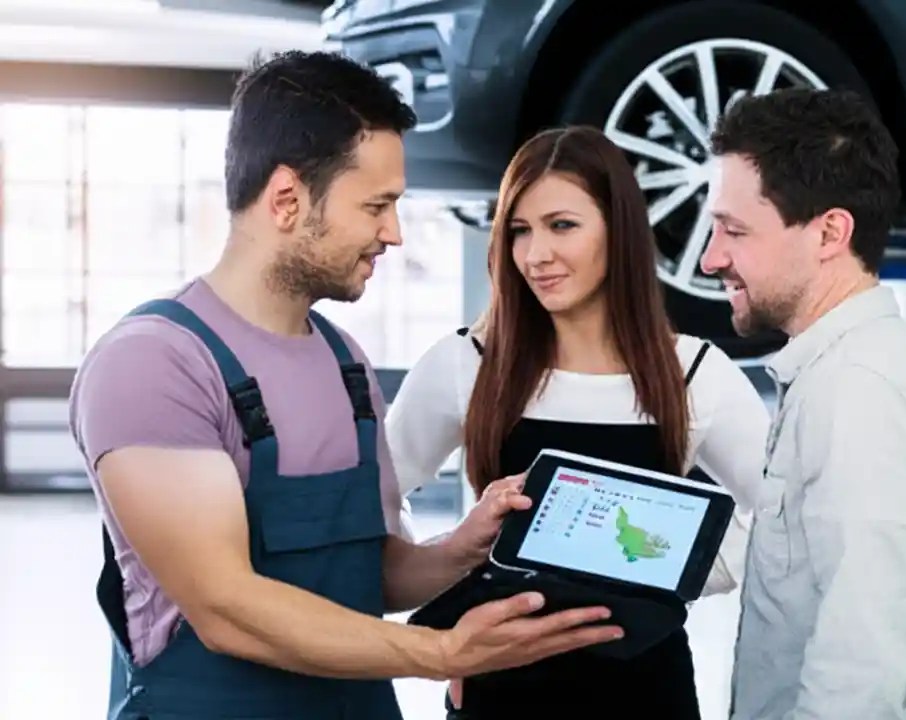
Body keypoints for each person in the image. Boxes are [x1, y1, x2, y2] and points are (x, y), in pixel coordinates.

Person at [69, 51, 622, 720]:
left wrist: (459, 550)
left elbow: (370, 575)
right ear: (286, 200)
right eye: (377, 206)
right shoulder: (155, 365)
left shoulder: (345, 363)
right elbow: (226, 610)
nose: (392, 233)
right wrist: (441, 653)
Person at [384, 125, 771, 718]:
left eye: (561, 225)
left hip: (648, 695)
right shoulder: (466, 364)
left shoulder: (692, 371)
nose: (536, 254)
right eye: (519, 230)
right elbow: (374, 502)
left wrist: (688, 569)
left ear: (617, 231)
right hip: (500, 694)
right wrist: (445, 586)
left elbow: (783, 513)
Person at [701, 88, 906, 719]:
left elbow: (861, 673)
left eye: (734, 230)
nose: (710, 258)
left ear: (830, 232)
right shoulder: (847, 373)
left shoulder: (862, 394)